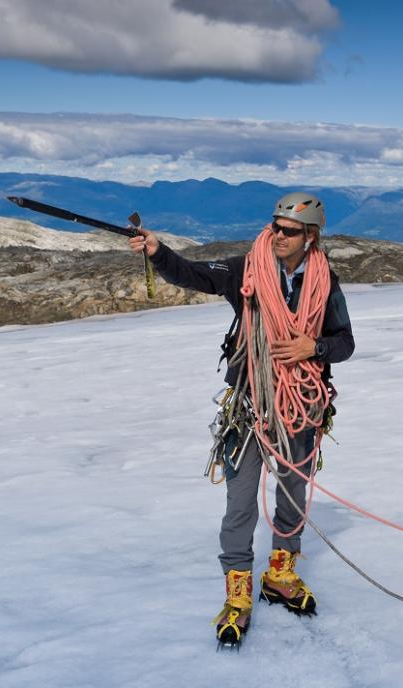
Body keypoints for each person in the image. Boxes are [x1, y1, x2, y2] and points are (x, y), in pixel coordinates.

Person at [128, 192, 355, 647]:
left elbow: (345, 342)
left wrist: (316, 348)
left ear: (311, 237)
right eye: (274, 226)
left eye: (288, 231)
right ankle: (238, 591)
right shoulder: (245, 270)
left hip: (300, 406)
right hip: (250, 405)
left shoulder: (324, 282)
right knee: (241, 501)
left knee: (293, 494)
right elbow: (194, 274)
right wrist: (158, 252)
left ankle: (281, 574)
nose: (277, 236)